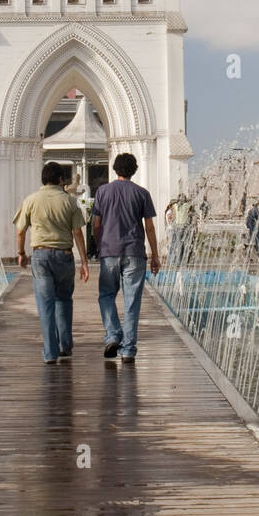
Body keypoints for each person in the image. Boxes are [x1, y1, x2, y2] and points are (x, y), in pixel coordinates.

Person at [14, 161, 89, 364]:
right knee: (64, 300)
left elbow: (20, 230)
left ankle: (50, 352)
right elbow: (77, 233)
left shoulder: (31, 200)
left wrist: (20, 252)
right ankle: (65, 346)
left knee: (45, 304)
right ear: (60, 179)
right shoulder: (70, 202)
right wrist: (84, 262)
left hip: (41, 257)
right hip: (64, 256)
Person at [92, 153, 160, 364]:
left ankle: (113, 335)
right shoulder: (142, 193)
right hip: (135, 253)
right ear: (134, 170)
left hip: (109, 252)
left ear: (115, 169)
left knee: (106, 295)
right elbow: (149, 226)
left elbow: (96, 224)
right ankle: (128, 349)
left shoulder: (103, 191)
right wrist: (155, 256)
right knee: (132, 301)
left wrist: (99, 243)